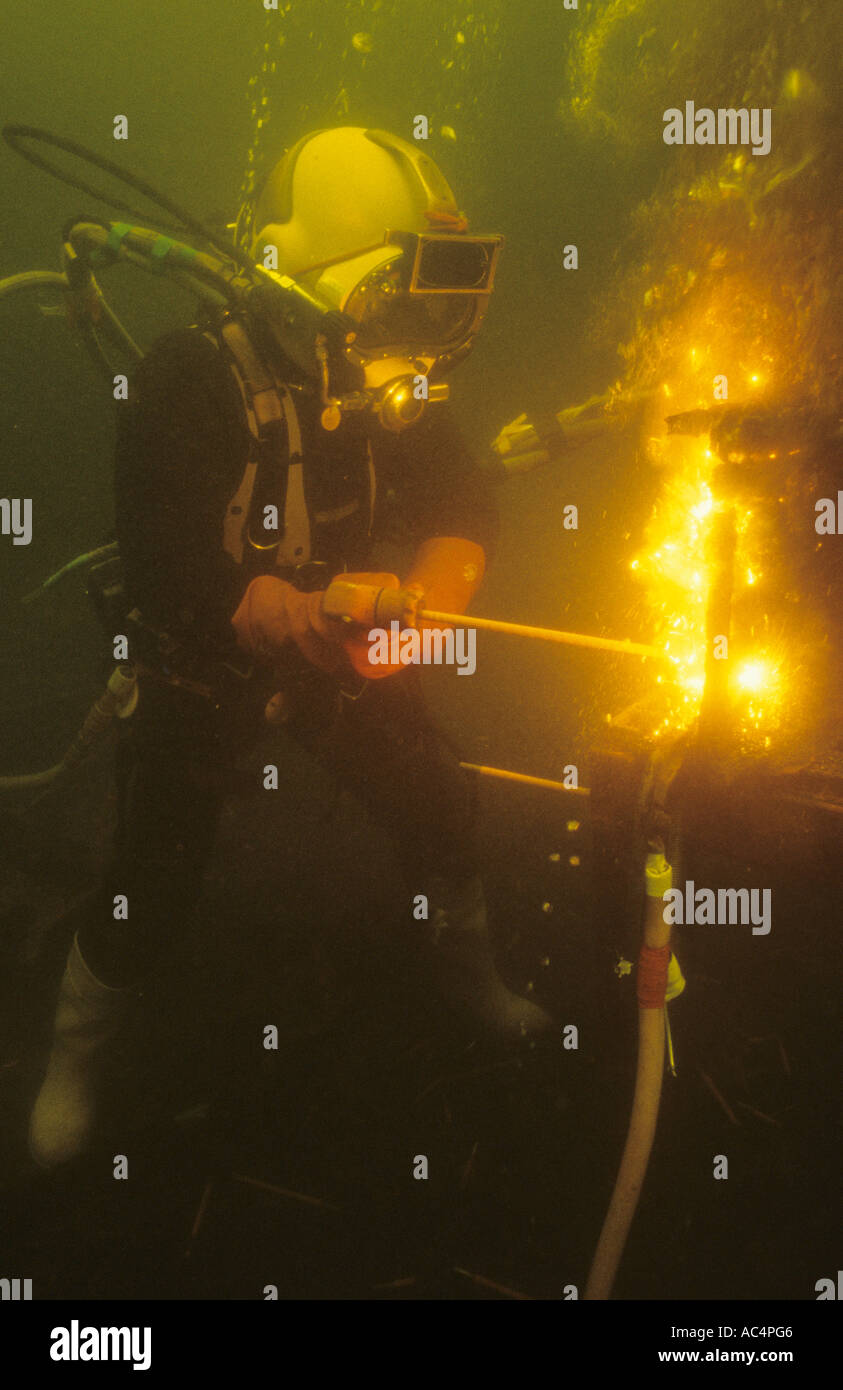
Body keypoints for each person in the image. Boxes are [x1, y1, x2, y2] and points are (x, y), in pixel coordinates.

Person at [28, 126, 553, 1170]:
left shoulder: (378, 383)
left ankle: (470, 976)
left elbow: (463, 499)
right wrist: (294, 612)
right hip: (205, 659)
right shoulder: (189, 375)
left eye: (431, 309)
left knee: (440, 795)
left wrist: (433, 604)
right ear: (327, 285)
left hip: (346, 647)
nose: (417, 337)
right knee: (152, 885)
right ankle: (71, 1064)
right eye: (395, 303)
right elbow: (170, 559)